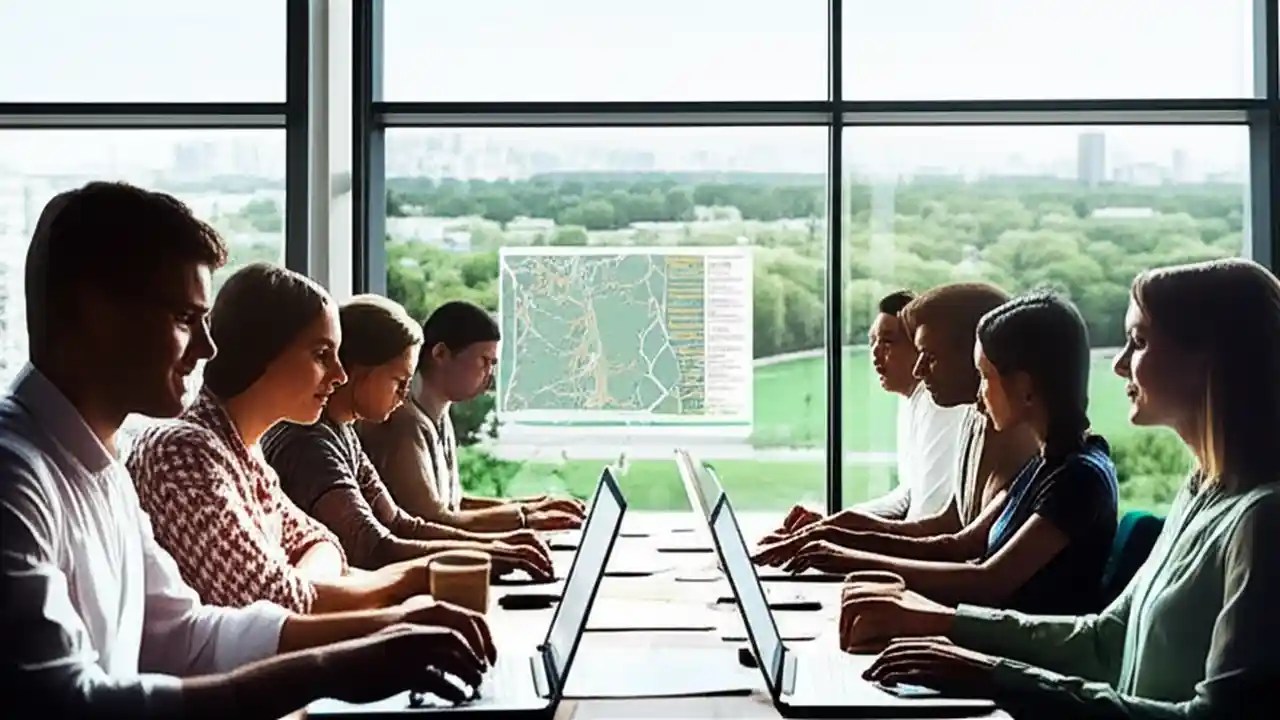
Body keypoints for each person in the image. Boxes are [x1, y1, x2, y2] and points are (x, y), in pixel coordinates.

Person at [1, 182, 494, 716]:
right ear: (95, 312)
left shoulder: (102, 467)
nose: (208, 348)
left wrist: (390, 628)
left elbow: (186, 635)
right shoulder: (14, 476)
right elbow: (63, 704)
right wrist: (331, 667)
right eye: (186, 320)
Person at [844, 259, 1280, 718]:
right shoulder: (1199, 493)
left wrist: (991, 673)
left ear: (1211, 359)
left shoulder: (1263, 522)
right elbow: (1104, 641)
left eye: (1139, 341)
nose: (1118, 365)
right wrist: (950, 630)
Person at [129, 263, 464, 614]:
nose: (339, 375)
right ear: (263, 349)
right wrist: (406, 580)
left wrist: (297, 580)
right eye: (322, 355)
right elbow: (276, 606)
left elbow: (324, 544)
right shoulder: (184, 454)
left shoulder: (245, 450)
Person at [764, 293, 1119, 615]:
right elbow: (958, 543)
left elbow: (989, 582)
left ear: (1025, 389)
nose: (980, 395)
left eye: (984, 377)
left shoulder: (1079, 477)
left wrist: (845, 560)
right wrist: (831, 543)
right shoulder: (1046, 462)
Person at [262, 293, 554, 576]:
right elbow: (373, 549)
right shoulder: (310, 443)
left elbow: (403, 524)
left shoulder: (343, 433)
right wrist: (489, 554)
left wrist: (495, 546)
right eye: (399, 381)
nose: (404, 395)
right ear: (360, 372)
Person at [755, 283, 1039, 560]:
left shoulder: (1033, 452)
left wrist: (845, 548)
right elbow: (949, 531)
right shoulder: (978, 421)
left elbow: (975, 566)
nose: (919, 369)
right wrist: (831, 533)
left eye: (929, 355)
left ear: (974, 356)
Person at [358, 300, 585, 533]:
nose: (490, 376)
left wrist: (535, 505)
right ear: (441, 354)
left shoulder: (438, 412)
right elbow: (432, 519)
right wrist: (527, 519)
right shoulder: (401, 421)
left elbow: (455, 505)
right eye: (484, 361)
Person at [776, 290, 968, 528]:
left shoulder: (939, 405)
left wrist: (837, 537)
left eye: (888, 341)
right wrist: (830, 524)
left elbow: (927, 517)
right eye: (872, 342)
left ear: (919, 347)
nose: (876, 353)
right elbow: (907, 495)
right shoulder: (911, 401)